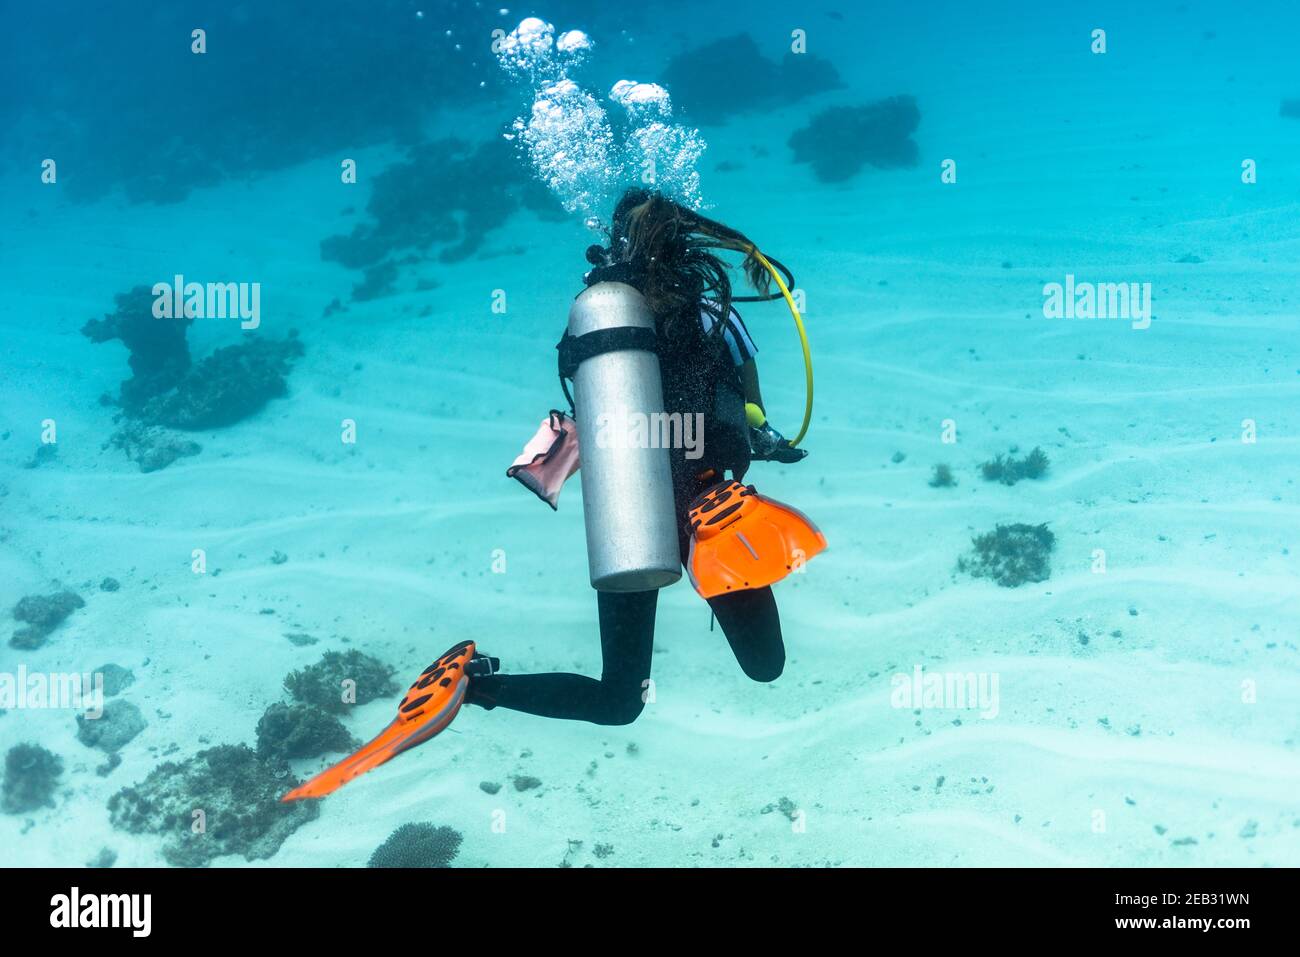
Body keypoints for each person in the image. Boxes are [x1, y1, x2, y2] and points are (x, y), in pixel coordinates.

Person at [282, 190, 816, 802]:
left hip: (631, 520)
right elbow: (747, 412)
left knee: (620, 700)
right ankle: (475, 686)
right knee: (765, 667)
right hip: (711, 514)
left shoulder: (598, 320)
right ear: (684, 244)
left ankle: (474, 685)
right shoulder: (713, 314)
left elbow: (591, 414)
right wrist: (763, 440)